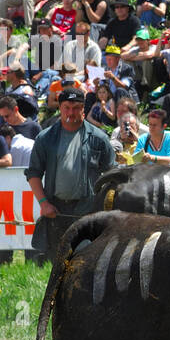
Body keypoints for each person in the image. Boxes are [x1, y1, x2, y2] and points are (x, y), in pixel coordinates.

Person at [25, 88, 117, 262]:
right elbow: (33, 174)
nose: (71, 112)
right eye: (66, 107)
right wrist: (44, 203)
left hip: (88, 210)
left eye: (76, 108)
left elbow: (111, 173)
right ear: (60, 107)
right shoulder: (45, 138)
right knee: (58, 263)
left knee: (86, 261)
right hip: (56, 211)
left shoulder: (99, 138)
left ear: (83, 108)